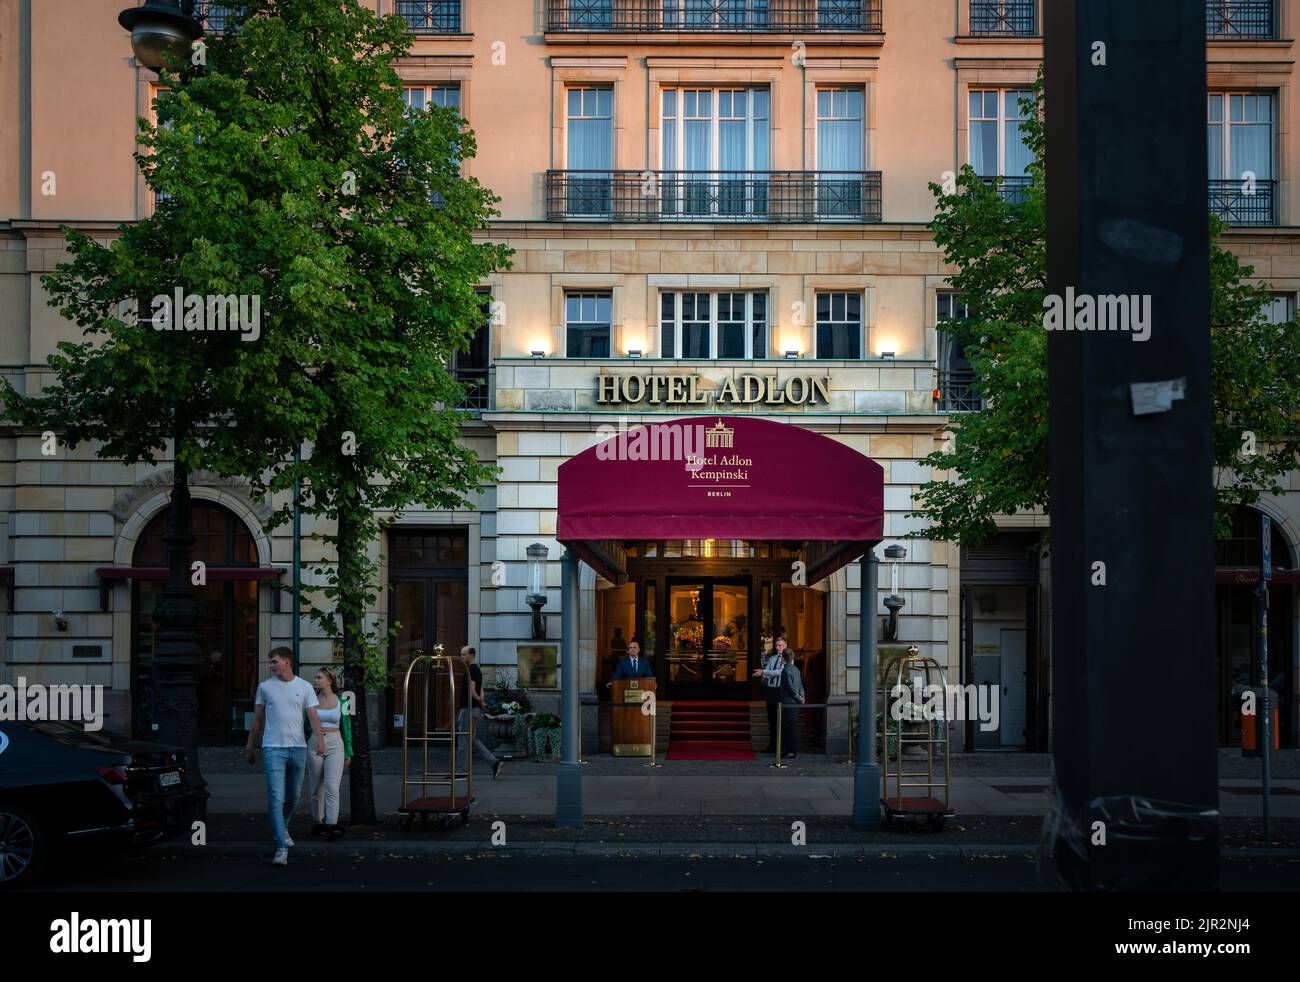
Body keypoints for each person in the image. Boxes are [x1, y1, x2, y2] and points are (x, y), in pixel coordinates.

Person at [245, 647, 324, 867]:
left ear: (287, 662)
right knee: (275, 798)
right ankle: (281, 846)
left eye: (274, 662)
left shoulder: (304, 686)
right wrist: (250, 746)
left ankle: (283, 825)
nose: (271, 666)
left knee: (294, 797)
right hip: (273, 749)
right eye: (270, 662)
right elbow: (257, 719)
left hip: (297, 748)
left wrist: (320, 740)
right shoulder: (265, 687)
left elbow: (314, 717)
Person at [306, 667, 352, 841]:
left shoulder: (343, 700)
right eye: (315, 677)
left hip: (335, 743)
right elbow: (304, 724)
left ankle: (332, 824)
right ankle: (318, 822)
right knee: (316, 787)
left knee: (332, 786)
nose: (315, 680)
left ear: (329, 680)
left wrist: (349, 751)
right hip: (314, 742)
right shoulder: (310, 701)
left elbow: (346, 727)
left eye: (319, 677)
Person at [457, 646, 503, 780]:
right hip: (474, 709)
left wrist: (478, 700)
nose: (461, 657)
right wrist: (481, 702)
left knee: (463, 739)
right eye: (461, 654)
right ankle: (494, 762)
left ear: (472, 655)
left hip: (468, 709)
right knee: (470, 739)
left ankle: (461, 771)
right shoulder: (476, 670)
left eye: (464, 654)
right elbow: (480, 689)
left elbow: (472, 690)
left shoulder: (471, 670)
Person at [752, 635, 789, 753]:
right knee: (771, 719)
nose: (778, 648)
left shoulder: (788, 659)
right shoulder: (773, 658)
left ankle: (782, 746)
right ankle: (772, 745)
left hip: (780, 691)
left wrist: (765, 672)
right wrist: (763, 672)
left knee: (781, 720)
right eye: (777, 645)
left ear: (785, 646)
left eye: (780, 645)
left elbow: (781, 672)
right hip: (771, 690)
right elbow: (768, 673)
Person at [778, 645, 806, 759]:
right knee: (793, 726)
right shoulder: (796, 669)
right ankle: (791, 749)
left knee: (788, 728)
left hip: (787, 702)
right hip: (794, 702)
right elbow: (800, 685)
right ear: (793, 657)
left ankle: (790, 750)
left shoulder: (785, 670)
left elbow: (790, 687)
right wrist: (802, 696)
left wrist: (799, 697)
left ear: (783, 658)